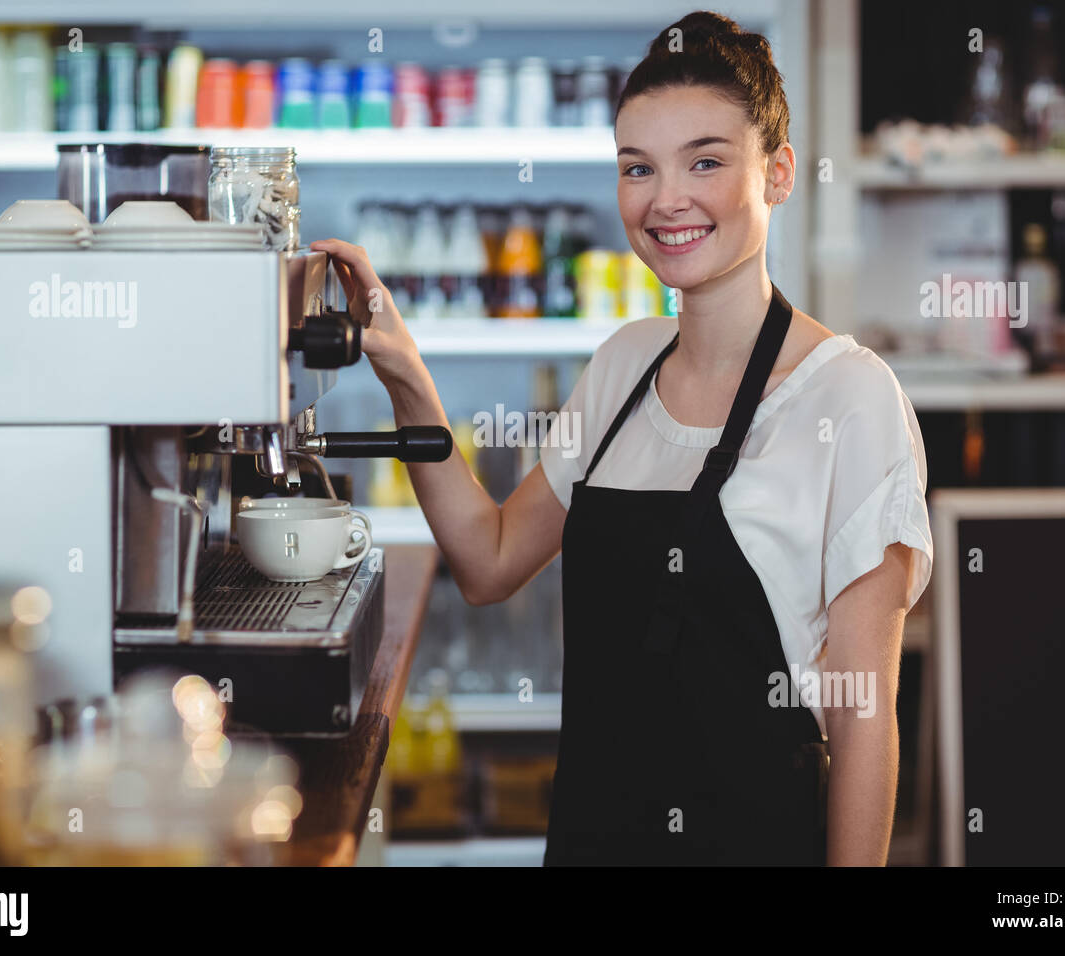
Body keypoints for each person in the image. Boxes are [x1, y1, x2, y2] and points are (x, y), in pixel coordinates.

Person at [310, 10, 933, 865]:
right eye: (638, 167)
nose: (665, 199)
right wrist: (407, 377)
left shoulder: (851, 397)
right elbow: (489, 562)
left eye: (705, 161)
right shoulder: (625, 364)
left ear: (778, 173)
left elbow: (867, 718)